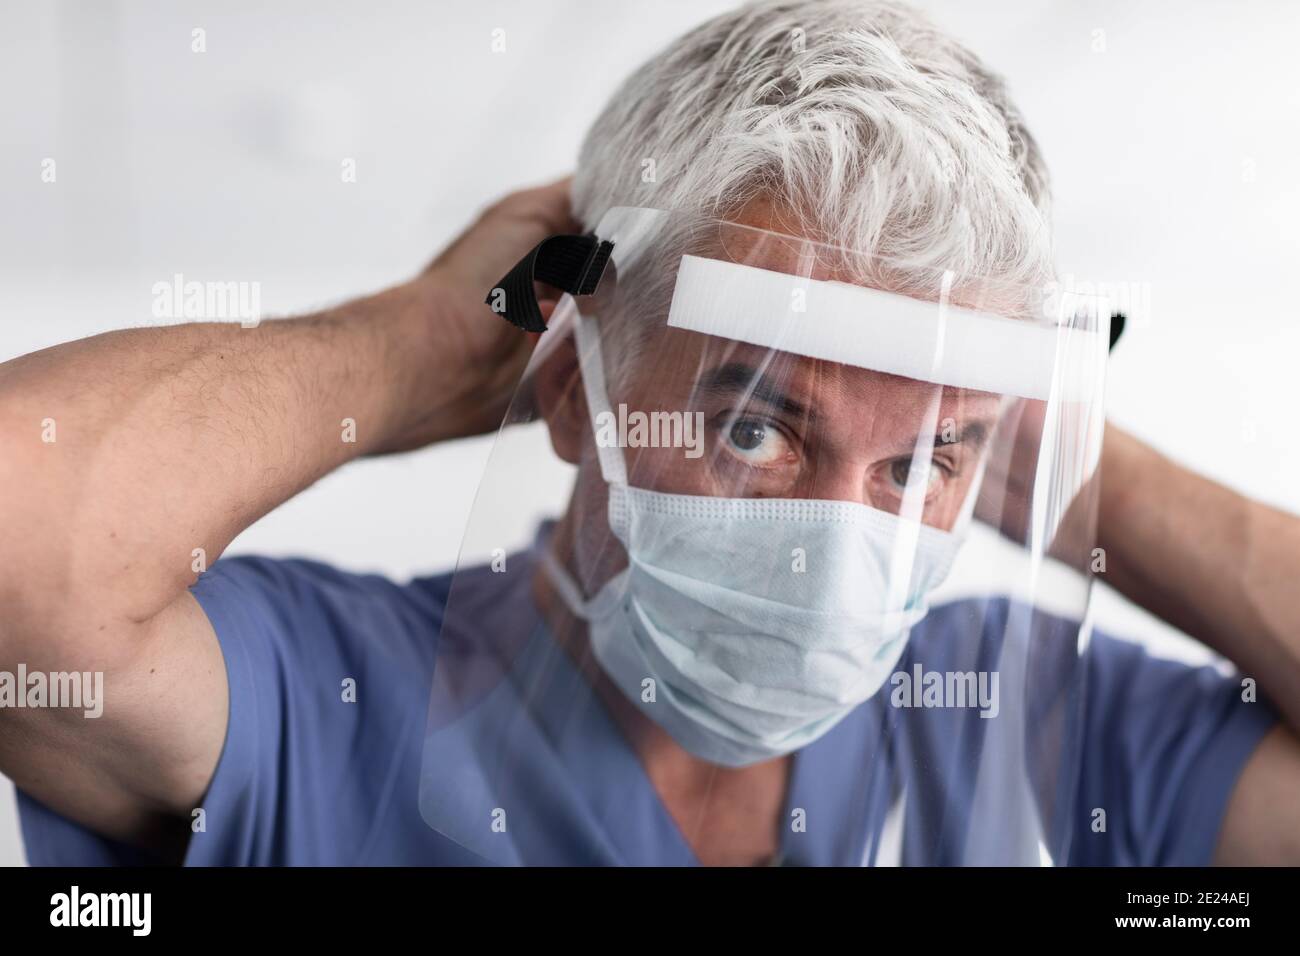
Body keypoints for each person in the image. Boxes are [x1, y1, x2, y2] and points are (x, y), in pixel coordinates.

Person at [2, 0, 1298, 866]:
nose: (836, 544)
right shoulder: (339, 701)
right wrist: (415, 344)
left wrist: (1073, 459)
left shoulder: (1037, 728)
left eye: (917, 464)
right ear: (577, 392)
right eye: (755, 427)